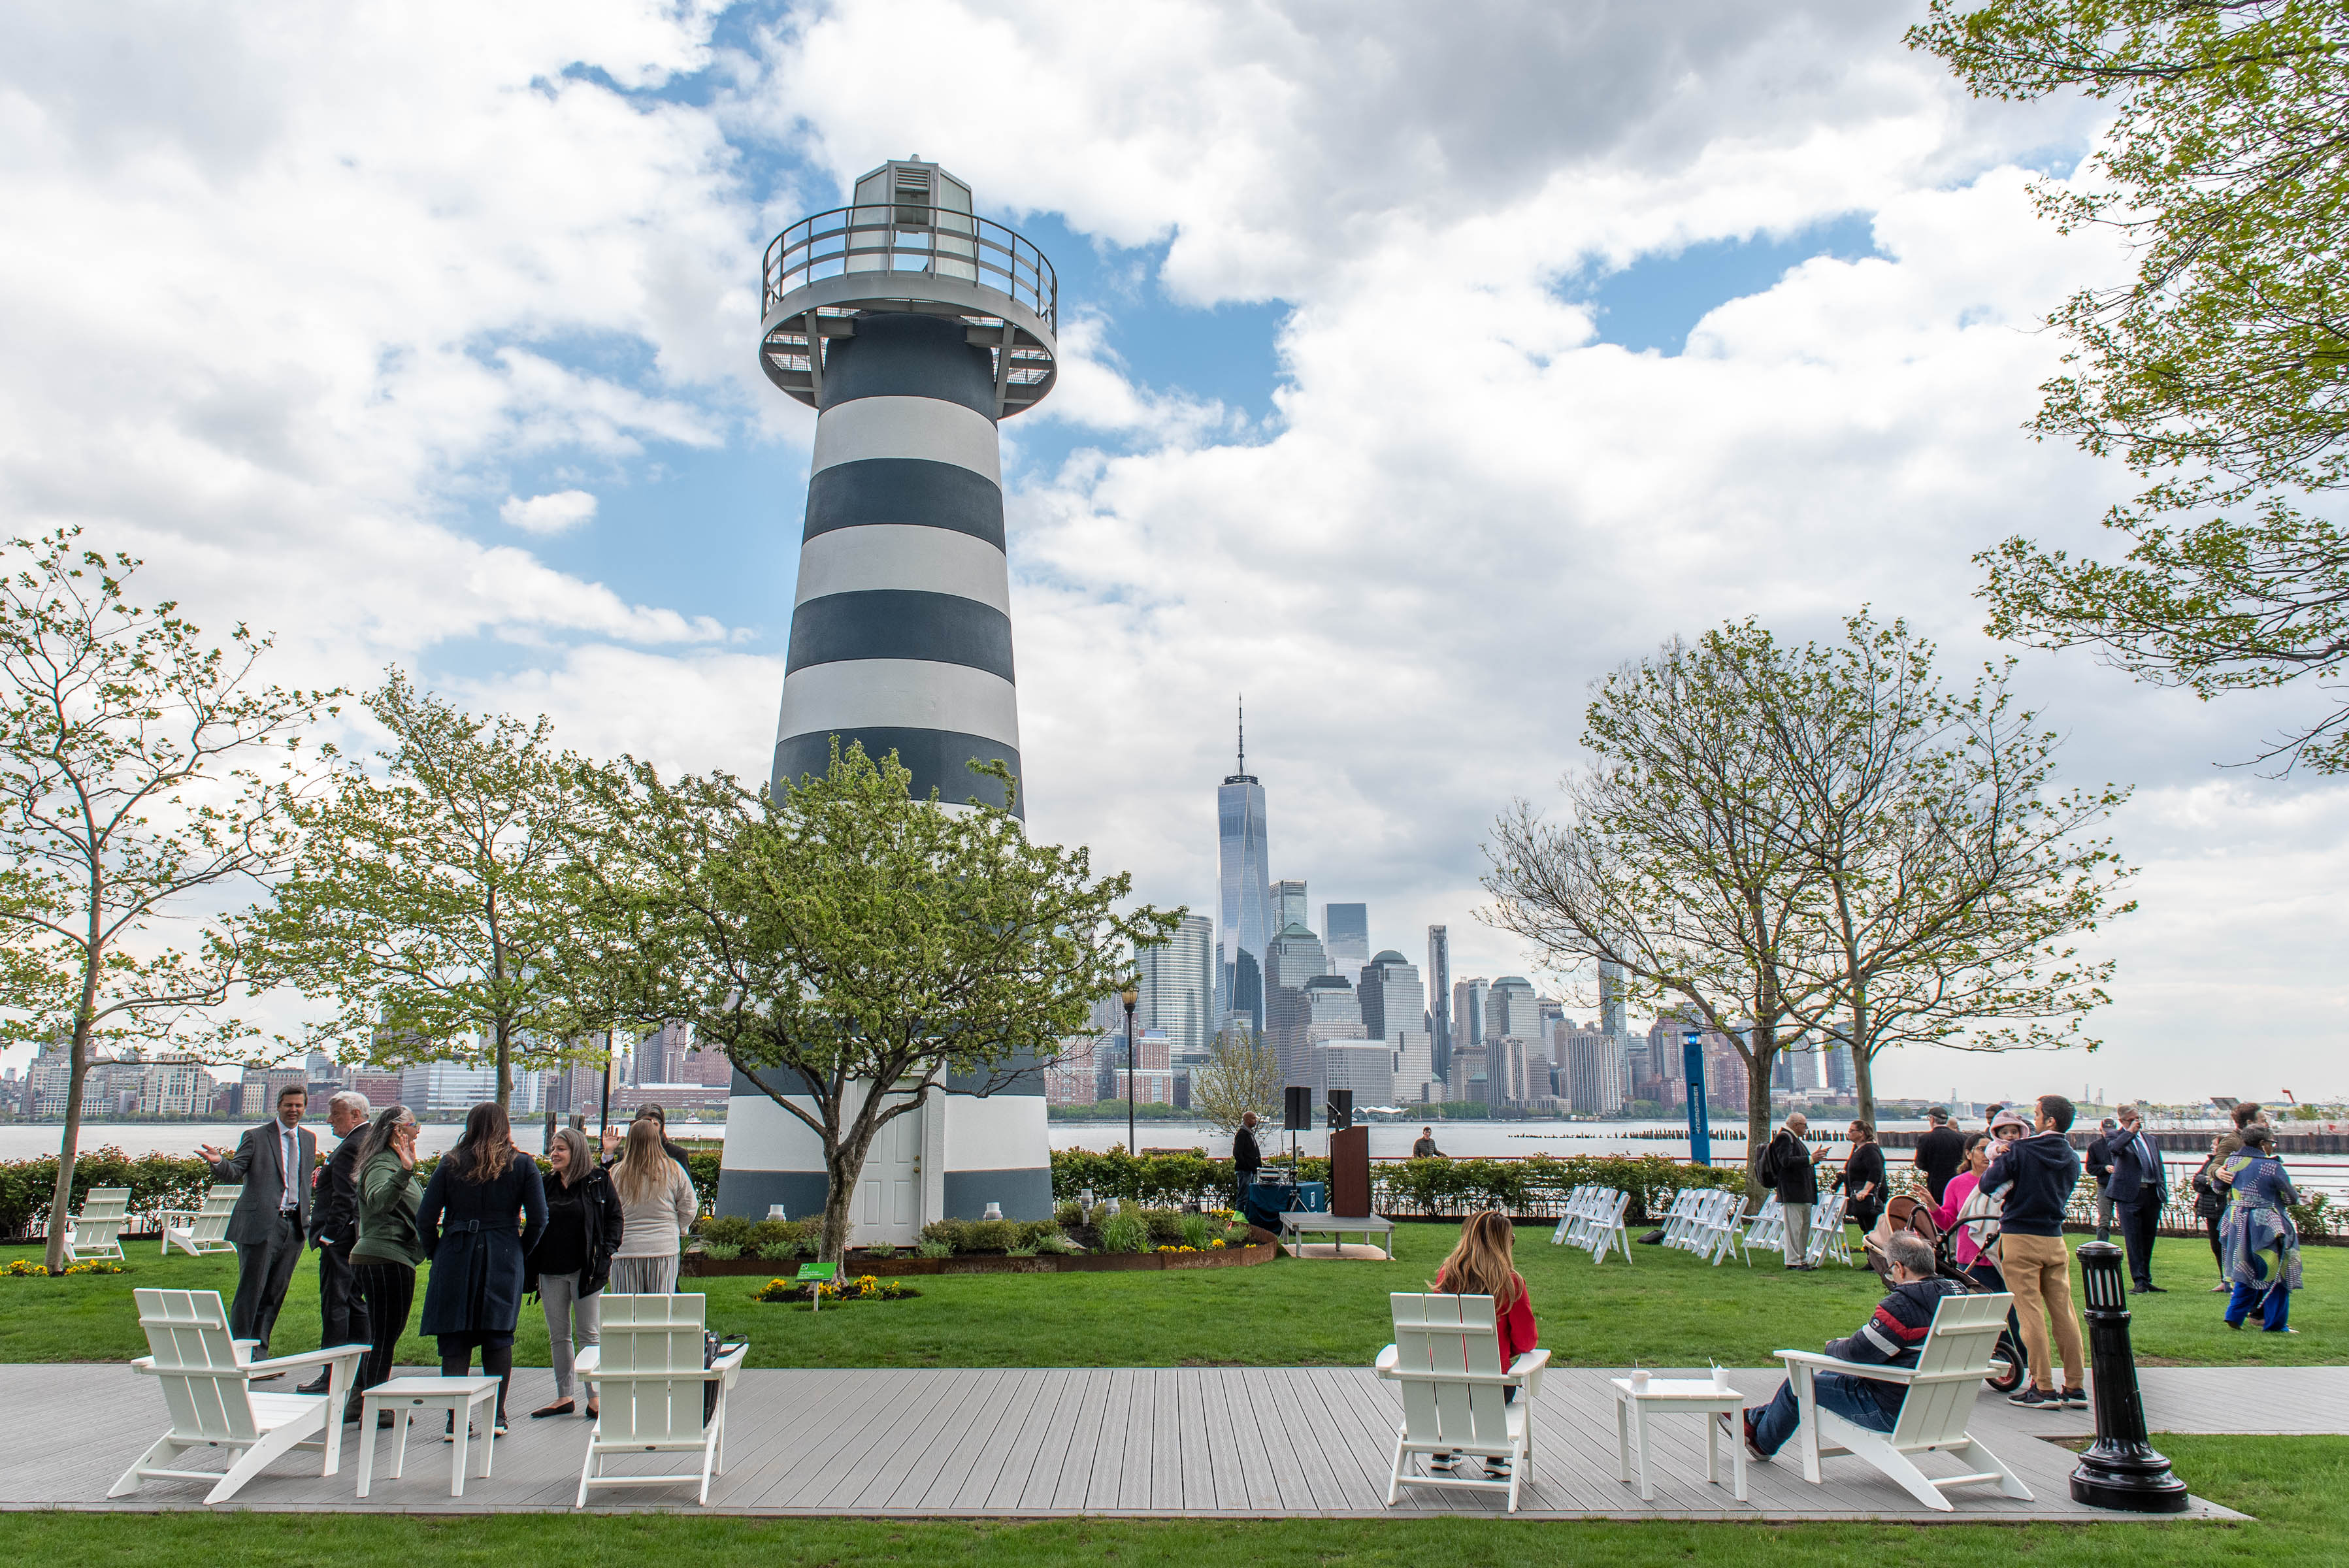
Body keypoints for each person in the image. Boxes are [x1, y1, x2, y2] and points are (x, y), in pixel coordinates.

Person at [1741, 1232, 1960, 1462]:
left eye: (1890, 1271)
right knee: (1829, 1373)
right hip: (1941, 1412)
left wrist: (1833, 1346)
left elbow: (1859, 1352)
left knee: (1798, 1384)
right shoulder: (1961, 1298)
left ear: (1899, 1268)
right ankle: (1754, 1419)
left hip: (1892, 1410)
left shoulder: (1903, 1305)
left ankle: (1761, 1442)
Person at [418, 1102, 548, 1435]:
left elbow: (425, 1217)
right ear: (505, 1127)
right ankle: (497, 1416)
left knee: (455, 1336)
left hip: (456, 1252)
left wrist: (438, 1250)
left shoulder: (450, 1164)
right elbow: (539, 1218)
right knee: (498, 1334)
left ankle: (455, 1418)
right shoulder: (522, 1165)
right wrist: (519, 1251)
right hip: (503, 1252)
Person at [1979, 1093, 2087, 1409]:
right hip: (2054, 1238)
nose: (2034, 1119)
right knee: (2064, 1312)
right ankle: (2075, 1386)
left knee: (2030, 1314)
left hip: (2020, 1234)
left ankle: (2043, 1386)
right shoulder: (2071, 1157)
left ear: (2049, 1120)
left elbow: (1988, 1184)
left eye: (2037, 1114)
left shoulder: (2021, 1150)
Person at [195, 1083, 316, 1362]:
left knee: (275, 1294)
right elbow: (235, 1171)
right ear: (279, 1106)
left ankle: (259, 1357)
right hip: (261, 1226)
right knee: (251, 1292)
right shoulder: (256, 1137)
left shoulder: (308, 1139)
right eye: (289, 1105)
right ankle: (239, 1356)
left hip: (294, 1227)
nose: (294, 1110)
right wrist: (218, 1162)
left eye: (299, 1105)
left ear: (305, 1108)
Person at [1426, 1209, 1537, 1477]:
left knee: (1459, 1384)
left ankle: (1444, 1450)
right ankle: (1496, 1455)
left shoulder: (1447, 1277)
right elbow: (1526, 1342)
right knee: (1495, 1386)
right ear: (1503, 1244)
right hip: (1492, 1389)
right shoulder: (1510, 1284)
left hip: (1444, 1387)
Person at [527, 1125, 624, 1418]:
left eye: (561, 1149)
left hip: (587, 1271)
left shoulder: (597, 1181)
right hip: (550, 1271)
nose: (554, 1154)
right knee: (559, 1335)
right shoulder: (545, 1184)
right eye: (553, 1149)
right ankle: (564, 1396)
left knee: (589, 1335)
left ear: (576, 1151)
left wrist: (605, 1252)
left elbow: (614, 1220)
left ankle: (594, 1396)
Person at [348, 1104, 424, 1422]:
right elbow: (379, 1201)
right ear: (398, 1130)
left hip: (390, 1255)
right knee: (385, 1334)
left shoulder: (390, 1161)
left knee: (381, 1332)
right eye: (414, 1124)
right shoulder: (383, 1163)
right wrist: (406, 1170)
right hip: (385, 1257)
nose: (418, 1130)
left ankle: (357, 1401)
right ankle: (377, 1407)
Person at [296, 1090, 374, 1397]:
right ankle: (356, 1374)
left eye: (335, 1114)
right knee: (354, 1303)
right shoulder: (366, 1140)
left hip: (341, 1241)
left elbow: (345, 1197)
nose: (329, 1120)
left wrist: (328, 1236)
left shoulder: (351, 1147)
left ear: (355, 1115)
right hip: (354, 1237)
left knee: (336, 1305)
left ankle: (331, 1374)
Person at [2218, 1126, 2301, 1333]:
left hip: (2236, 1222)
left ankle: (2235, 1315)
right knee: (2275, 1271)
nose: (2272, 1147)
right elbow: (2291, 1198)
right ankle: (2276, 1324)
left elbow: (2218, 1187)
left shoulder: (2232, 1162)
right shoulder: (2271, 1166)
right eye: (2272, 1143)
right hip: (2265, 1224)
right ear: (2263, 1144)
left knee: (2245, 1267)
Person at [608, 1117, 698, 1294]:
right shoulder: (673, 1169)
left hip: (626, 1249)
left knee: (627, 1311)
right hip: (664, 1248)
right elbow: (689, 1206)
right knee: (660, 1310)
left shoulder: (616, 1173)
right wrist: (679, 1228)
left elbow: (607, 1212)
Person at [2105, 1102, 2169, 1293]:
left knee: (2148, 1237)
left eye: (2138, 1119)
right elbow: (2115, 1149)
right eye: (2132, 1120)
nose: (2137, 1122)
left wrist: (2162, 1190)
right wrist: (2130, 1132)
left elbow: (2158, 1165)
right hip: (2129, 1195)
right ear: (2122, 1121)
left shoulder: (2150, 1139)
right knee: (2133, 1238)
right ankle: (2139, 1280)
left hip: (2151, 1193)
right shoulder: (2115, 1136)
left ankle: (2147, 1279)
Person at [1760, 1113, 1829, 1269]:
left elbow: (1795, 1161)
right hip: (1793, 1190)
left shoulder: (1792, 1139)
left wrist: (1813, 1159)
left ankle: (1801, 1259)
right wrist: (1811, 1159)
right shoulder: (1784, 1138)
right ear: (1796, 1125)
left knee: (1803, 1227)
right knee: (1795, 1228)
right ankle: (1793, 1260)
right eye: (1805, 1125)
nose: (1807, 1128)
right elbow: (1786, 1161)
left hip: (1801, 1191)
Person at [2192, 1134, 2232, 1292]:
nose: (2212, 1148)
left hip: (2226, 1210)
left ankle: (2233, 1280)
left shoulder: (2229, 1163)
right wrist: (2209, 1181)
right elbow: (2197, 1181)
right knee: (2216, 1246)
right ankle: (2224, 1280)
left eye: (2215, 1145)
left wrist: (2211, 1181)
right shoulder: (2210, 1162)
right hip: (2211, 1211)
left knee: (2230, 1246)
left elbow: (2224, 1184)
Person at [601, 1103, 691, 1168]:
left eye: (654, 1125)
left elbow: (686, 1191)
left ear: (661, 1127)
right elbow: (610, 1186)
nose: (648, 1129)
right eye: (644, 1124)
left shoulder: (677, 1154)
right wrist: (609, 1152)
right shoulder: (626, 1154)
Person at [1839, 1122, 1886, 1236]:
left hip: (1868, 1199)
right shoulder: (1858, 1148)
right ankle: (1869, 1252)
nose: (1849, 1133)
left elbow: (1876, 1170)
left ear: (1862, 1133)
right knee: (1866, 1229)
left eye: (1852, 1131)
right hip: (1858, 1197)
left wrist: (1866, 1190)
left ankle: (1875, 1253)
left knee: (1872, 1230)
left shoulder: (1869, 1149)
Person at [1912, 1107, 1965, 1205]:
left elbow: (1920, 1163)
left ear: (1932, 1119)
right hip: (1958, 1182)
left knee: (1938, 1212)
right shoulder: (1962, 1138)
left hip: (1936, 1184)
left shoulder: (1925, 1139)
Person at [2086, 1117, 2119, 1240]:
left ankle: (2133, 1250)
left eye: (2111, 1130)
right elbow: (2090, 1168)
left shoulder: (2123, 1144)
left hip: (2122, 1185)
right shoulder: (2094, 1146)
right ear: (2101, 1130)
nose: (2109, 1133)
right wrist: (2104, 1168)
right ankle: (2102, 1247)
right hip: (2104, 1186)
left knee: (2128, 1220)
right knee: (2104, 1220)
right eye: (2106, 1130)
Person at [1232, 1112, 1262, 1203]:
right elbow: (1237, 1153)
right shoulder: (1242, 1134)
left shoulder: (1249, 1133)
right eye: (1254, 1119)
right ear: (1247, 1120)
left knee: (1249, 1196)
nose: (1256, 1121)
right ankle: (1239, 1216)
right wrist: (1246, 1166)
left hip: (1250, 1171)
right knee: (1243, 1196)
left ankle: (1246, 1215)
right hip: (1245, 1171)